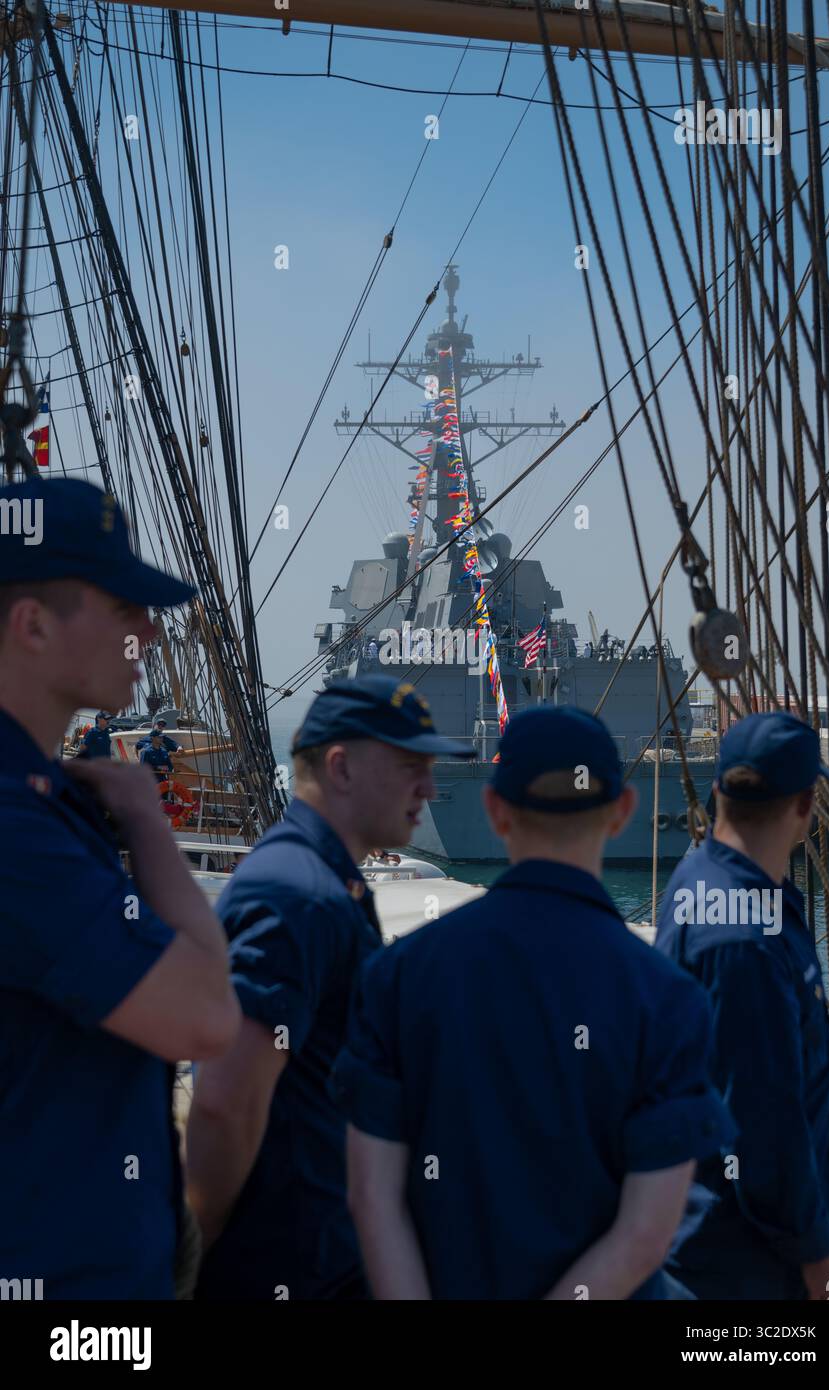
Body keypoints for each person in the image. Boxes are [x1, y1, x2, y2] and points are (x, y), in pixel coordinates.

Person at [333, 706, 733, 1300]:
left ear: (495, 809)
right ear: (624, 810)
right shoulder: (669, 997)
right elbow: (647, 1233)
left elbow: (371, 1195)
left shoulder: (398, 974)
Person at [0, 475, 240, 1299]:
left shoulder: (42, 802)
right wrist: (144, 816)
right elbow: (208, 1015)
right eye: (122, 608)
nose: (150, 631)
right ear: (31, 625)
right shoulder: (18, 828)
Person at [187, 675, 475, 1301]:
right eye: (409, 765)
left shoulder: (322, 882)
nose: (428, 786)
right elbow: (224, 1101)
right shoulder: (296, 895)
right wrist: (192, 1258)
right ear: (341, 768)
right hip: (286, 1265)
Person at [655, 711, 829, 1300]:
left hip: (754, 1219)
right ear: (805, 806)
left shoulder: (704, 881)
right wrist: (819, 1253)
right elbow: (760, 1120)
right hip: (751, 1255)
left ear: (719, 789)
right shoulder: (741, 938)